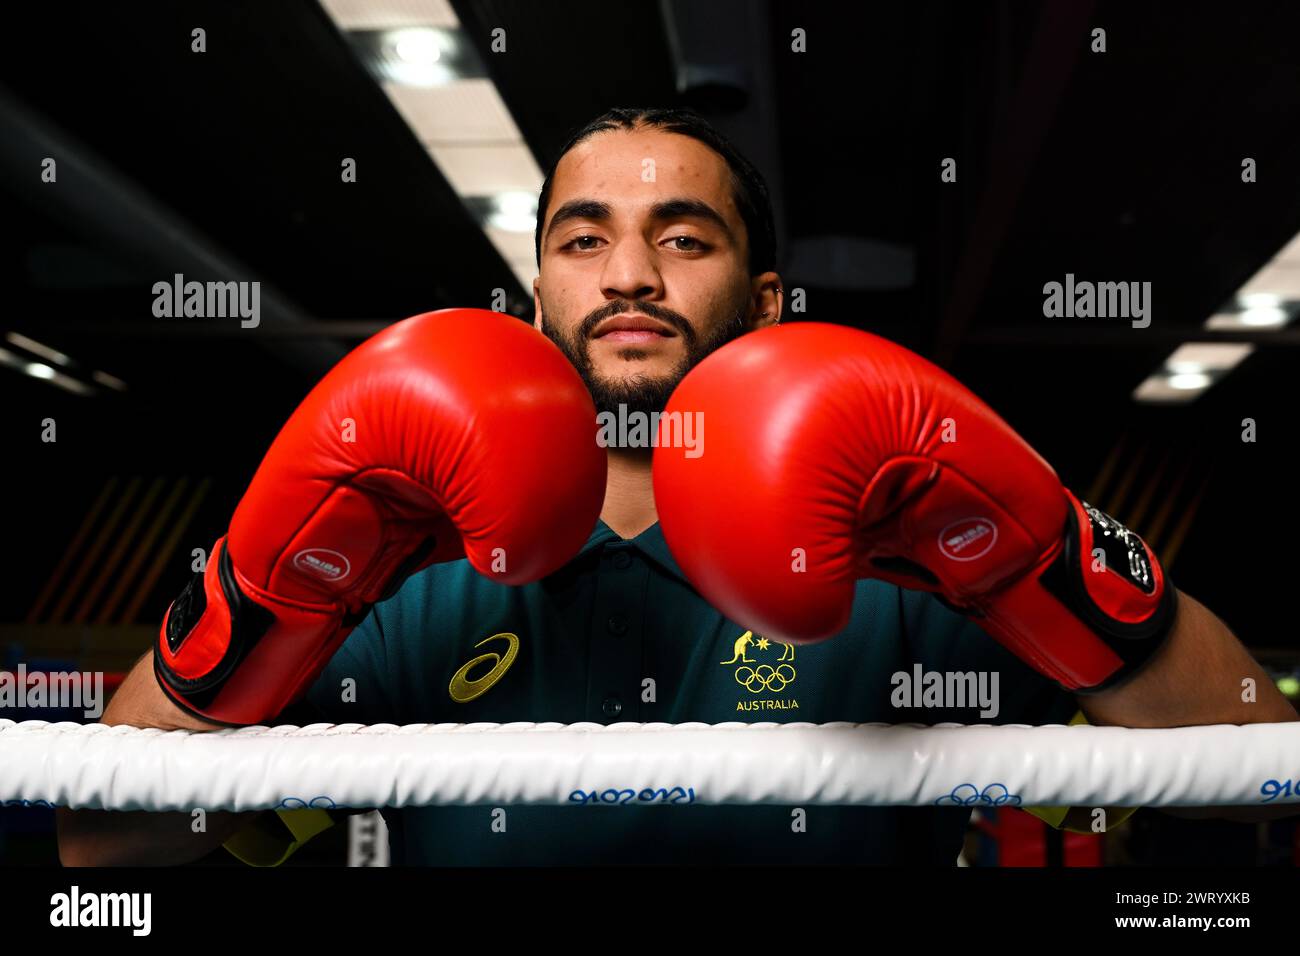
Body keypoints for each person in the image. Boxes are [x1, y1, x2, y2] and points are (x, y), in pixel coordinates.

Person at [58, 108, 1298, 867]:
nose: (631, 274)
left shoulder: (905, 535)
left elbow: (1258, 763)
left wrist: (1038, 551)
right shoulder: (400, 555)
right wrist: (267, 591)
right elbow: (102, 843)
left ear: (764, 302)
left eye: (687, 238)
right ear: (536, 294)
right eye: (582, 238)